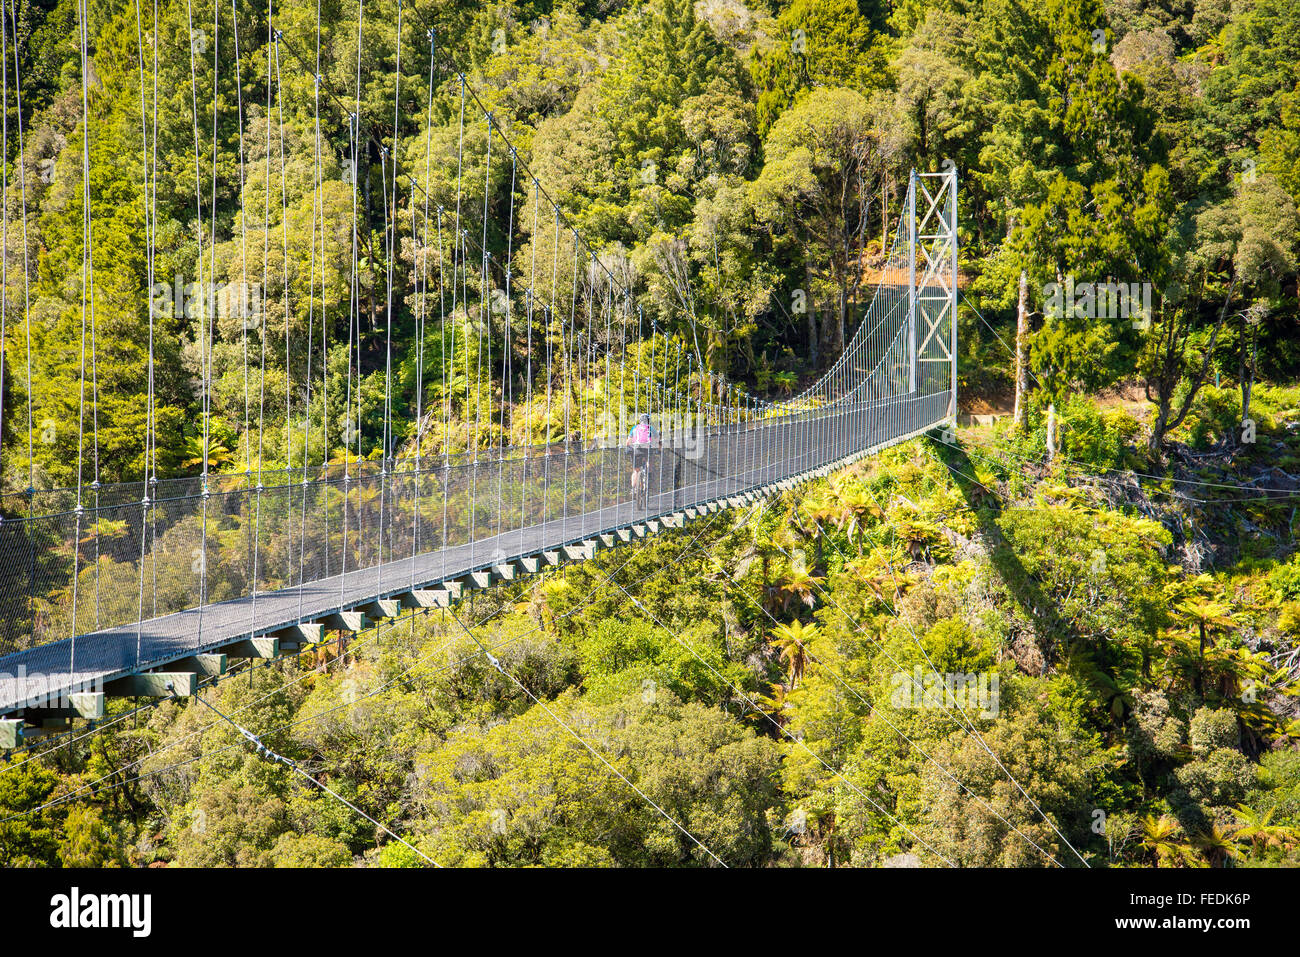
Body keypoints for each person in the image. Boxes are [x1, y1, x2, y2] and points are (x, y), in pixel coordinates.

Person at [625, 412, 659, 507]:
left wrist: (629, 448)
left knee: (636, 471)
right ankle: (649, 476)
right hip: (648, 450)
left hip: (637, 450)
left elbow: (628, 442)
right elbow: (657, 441)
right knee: (650, 461)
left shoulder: (634, 428)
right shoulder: (651, 428)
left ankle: (634, 489)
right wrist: (659, 449)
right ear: (648, 421)